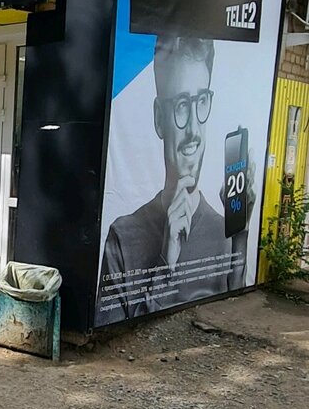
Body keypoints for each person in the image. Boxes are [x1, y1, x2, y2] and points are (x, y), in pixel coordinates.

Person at [96, 37, 252, 325]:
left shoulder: (225, 231)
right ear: (159, 118)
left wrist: (239, 232)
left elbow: (233, 316)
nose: (193, 129)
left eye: (201, 101)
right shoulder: (122, 236)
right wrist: (165, 266)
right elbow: (112, 337)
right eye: (181, 105)